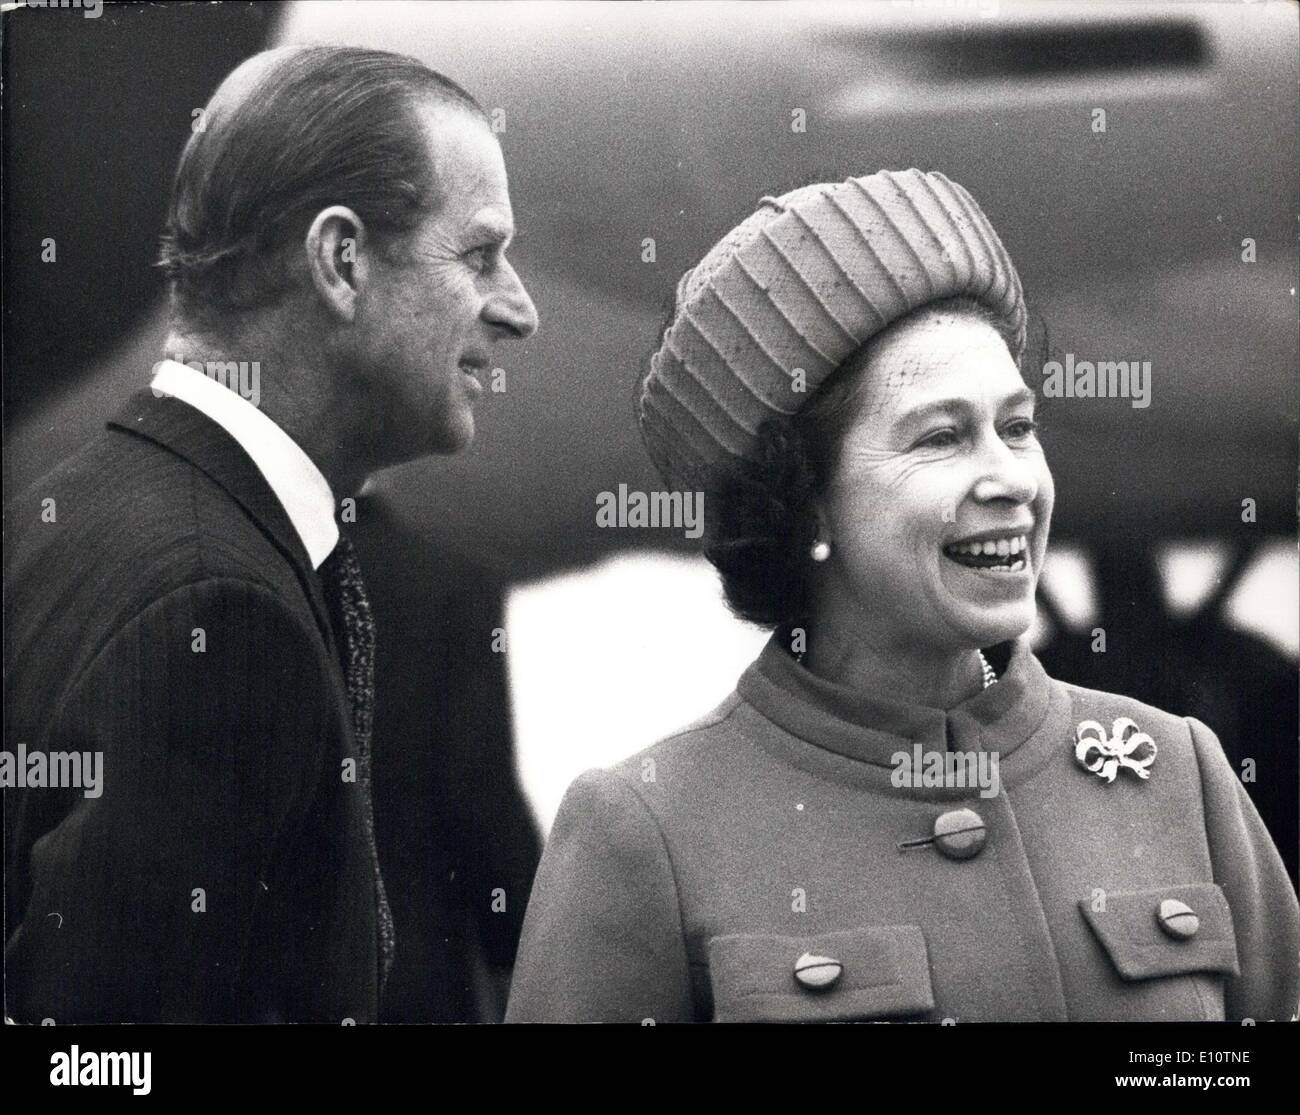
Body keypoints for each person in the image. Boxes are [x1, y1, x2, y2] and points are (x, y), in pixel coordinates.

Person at [506, 169, 1299, 1023]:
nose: (1011, 479)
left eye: (1019, 427)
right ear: (804, 499)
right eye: (942, 436)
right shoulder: (646, 828)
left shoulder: (1177, 771)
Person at [3, 44, 538, 1023]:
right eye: (479, 254)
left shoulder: (61, 516)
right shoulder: (222, 613)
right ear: (340, 261)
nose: (519, 309)